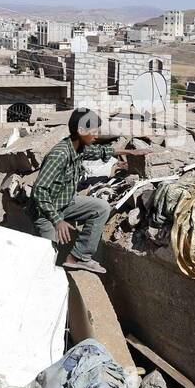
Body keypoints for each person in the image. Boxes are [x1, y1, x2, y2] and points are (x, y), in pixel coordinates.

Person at [30, 108, 121, 274]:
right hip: (45, 213)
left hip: (65, 204)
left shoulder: (79, 148)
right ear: (81, 131)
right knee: (48, 260)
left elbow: (99, 152)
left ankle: (78, 257)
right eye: (93, 132)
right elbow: (39, 190)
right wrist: (57, 221)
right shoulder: (59, 154)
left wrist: (128, 151)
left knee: (101, 208)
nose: (96, 136)